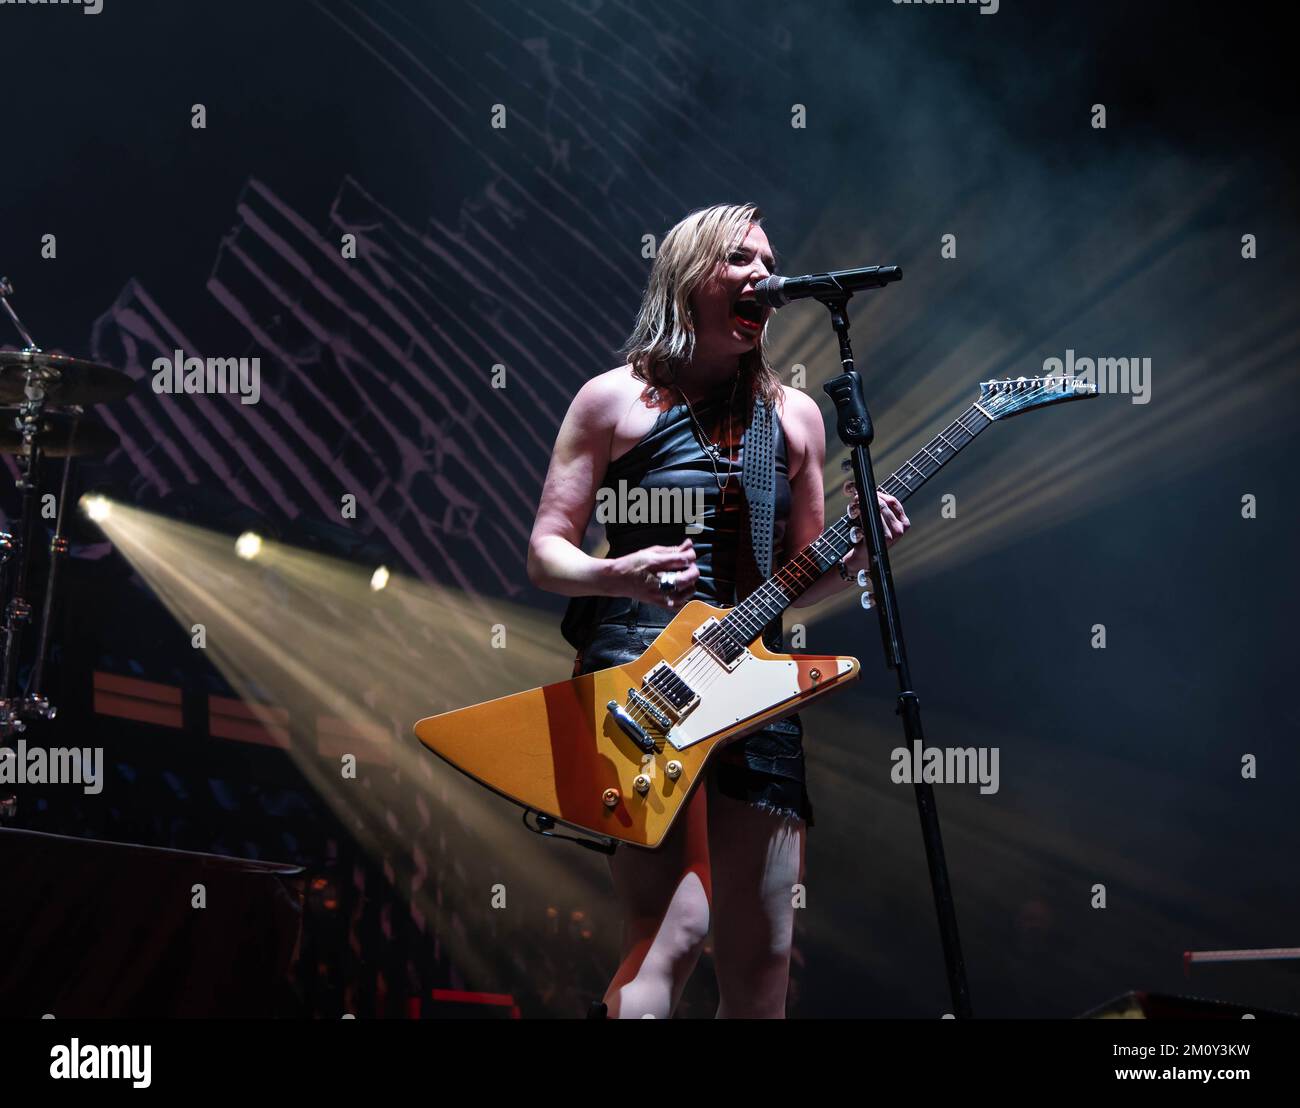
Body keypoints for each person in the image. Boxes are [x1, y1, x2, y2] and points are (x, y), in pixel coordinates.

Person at [526, 203, 909, 1018]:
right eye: (739, 259)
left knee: (766, 951)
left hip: (752, 681)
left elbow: (803, 573)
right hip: (641, 675)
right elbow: (546, 552)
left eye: (769, 262)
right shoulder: (611, 400)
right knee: (674, 924)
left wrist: (861, 554)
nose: (761, 277)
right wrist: (620, 571)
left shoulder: (795, 416)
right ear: (688, 273)